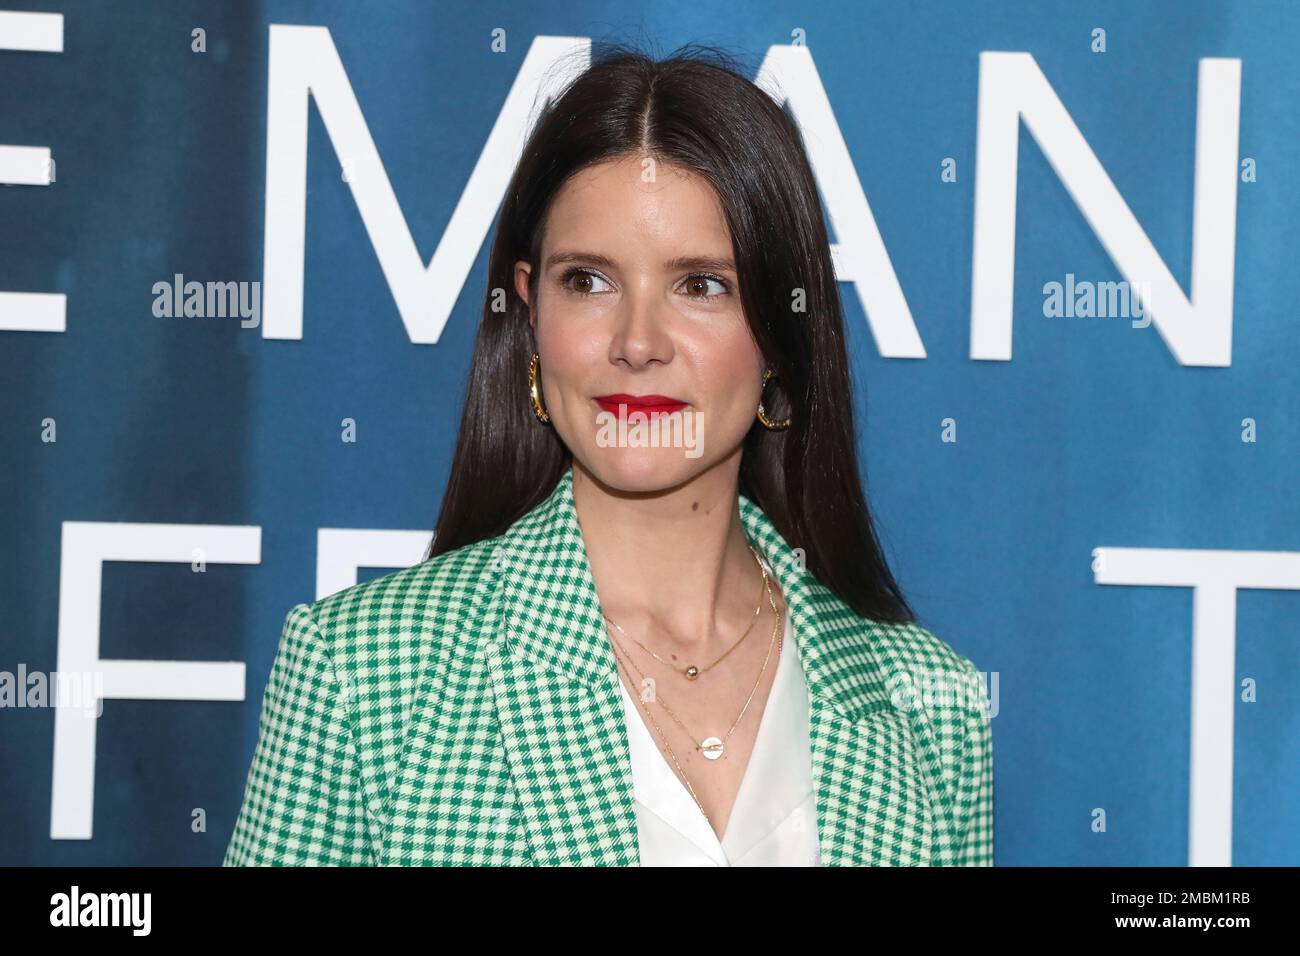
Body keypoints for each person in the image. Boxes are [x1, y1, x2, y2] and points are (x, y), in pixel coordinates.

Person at [224, 43, 993, 867]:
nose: (636, 343)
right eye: (588, 281)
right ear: (529, 314)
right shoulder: (364, 674)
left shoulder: (928, 706)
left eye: (701, 285)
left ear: (781, 335)